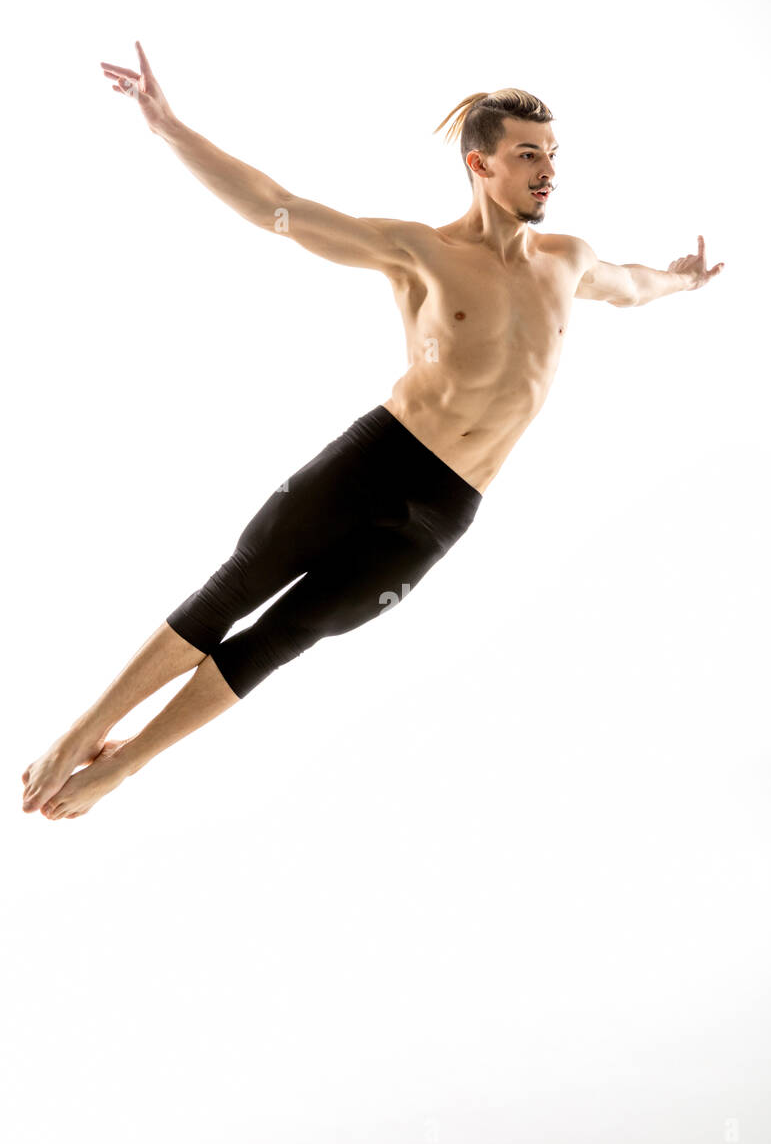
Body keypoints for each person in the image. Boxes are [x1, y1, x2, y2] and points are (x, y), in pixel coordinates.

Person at [22, 43, 724, 820]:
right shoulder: (421, 251)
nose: (547, 170)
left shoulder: (569, 259)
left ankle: (123, 767)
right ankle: (78, 734)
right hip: (376, 460)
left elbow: (632, 288)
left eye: (553, 155)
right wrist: (168, 127)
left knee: (286, 636)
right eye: (528, 155)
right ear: (479, 164)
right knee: (233, 591)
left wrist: (683, 279)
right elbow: (275, 209)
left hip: (446, 511)